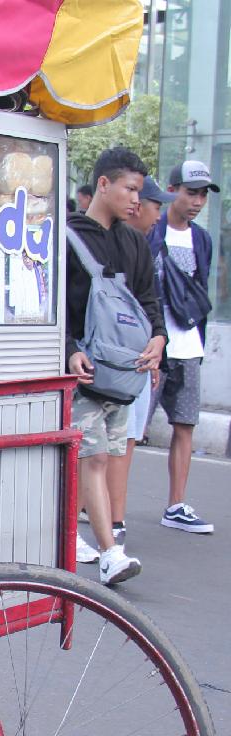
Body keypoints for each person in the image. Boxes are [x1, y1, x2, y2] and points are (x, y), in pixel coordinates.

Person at [66, 148, 166, 584]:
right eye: (129, 189)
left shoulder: (134, 242)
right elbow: (50, 304)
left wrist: (158, 340)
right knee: (92, 458)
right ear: (102, 184)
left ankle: (76, 535)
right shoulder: (67, 236)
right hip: (85, 372)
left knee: (104, 455)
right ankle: (109, 552)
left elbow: (150, 300)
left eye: (139, 193)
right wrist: (69, 347)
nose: (136, 201)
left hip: (124, 373)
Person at [146, 160, 219, 533]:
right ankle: (103, 513)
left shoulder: (201, 239)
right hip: (152, 344)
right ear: (172, 190)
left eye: (203, 195)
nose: (198, 201)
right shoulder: (150, 228)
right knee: (128, 431)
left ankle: (176, 504)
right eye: (192, 192)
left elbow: (199, 289)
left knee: (185, 424)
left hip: (188, 344)